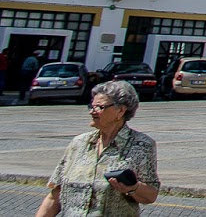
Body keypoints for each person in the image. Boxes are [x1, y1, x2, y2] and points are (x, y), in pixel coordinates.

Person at [34, 79, 159, 217]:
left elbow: (151, 195)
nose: (92, 112)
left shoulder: (142, 145)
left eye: (100, 107)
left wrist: (133, 188)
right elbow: (55, 195)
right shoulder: (79, 143)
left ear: (121, 110)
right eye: (91, 106)